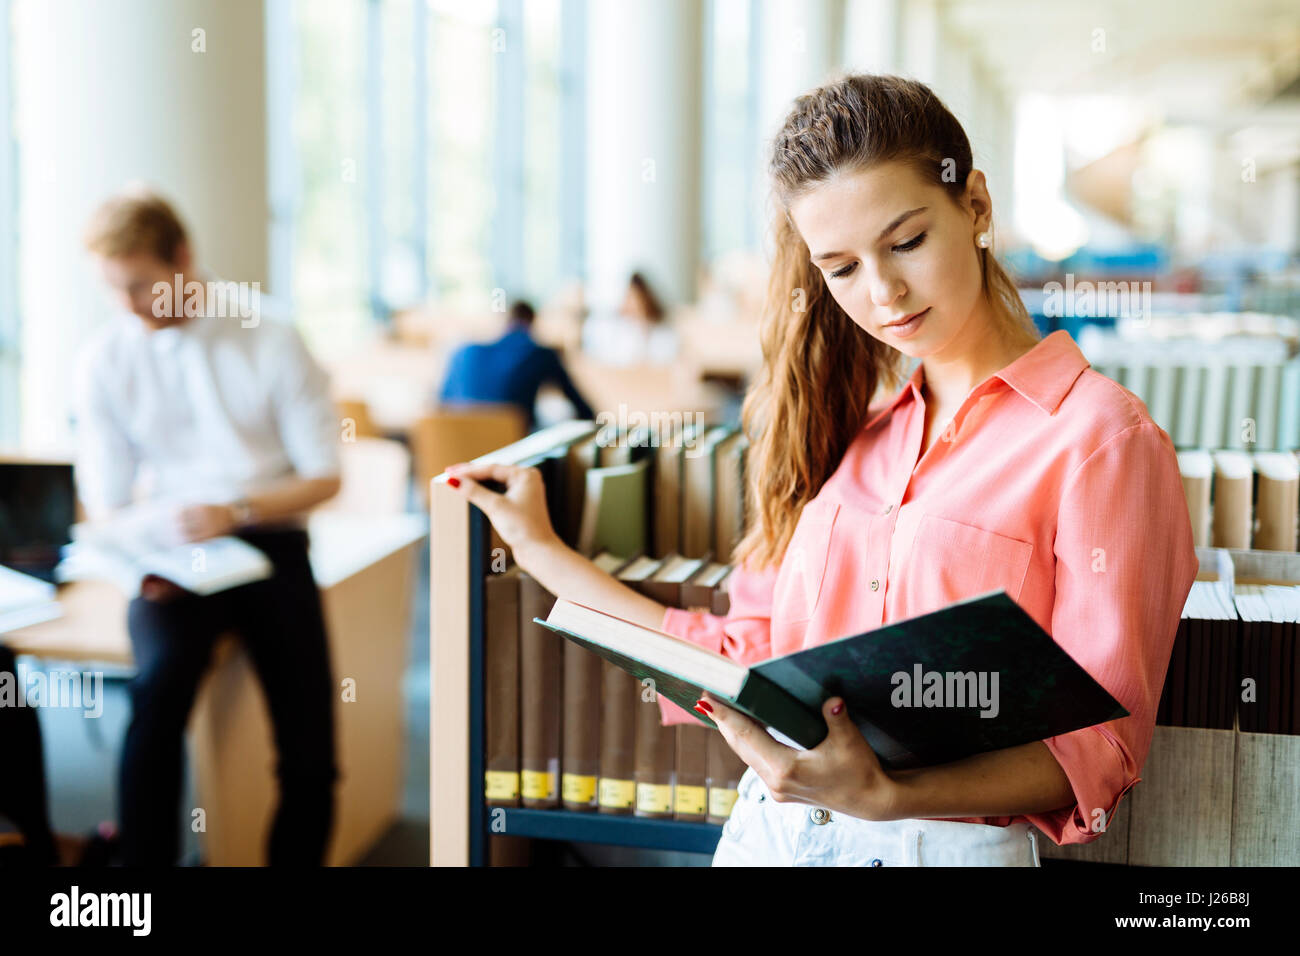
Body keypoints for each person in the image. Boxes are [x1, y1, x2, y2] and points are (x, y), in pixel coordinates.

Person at [441, 74, 1197, 867]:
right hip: (768, 837)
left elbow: (1100, 747)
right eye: (841, 268)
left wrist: (889, 796)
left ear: (975, 205)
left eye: (906, 241)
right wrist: (539, 553)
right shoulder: (857, 440)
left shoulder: (1103, 441)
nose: (884, 293)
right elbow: (741, 654)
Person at [74, 189, 342, 865]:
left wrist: (241, 510)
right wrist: (138, 558)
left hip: (268, 535)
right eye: (114, 290)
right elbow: (104, 500)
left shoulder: (271, 336)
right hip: (171, 550)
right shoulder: (106, 359)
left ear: (183, 259)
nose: (129, 306)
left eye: (140, 285)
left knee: (310, 744)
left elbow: (326, 475)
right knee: (157, 694)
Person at [438, 300, 596, 432]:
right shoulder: (540, 353)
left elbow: (440, 405)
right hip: (513, 453)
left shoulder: (463, 352)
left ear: (505, 322)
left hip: (457, 453)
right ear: (533, 323)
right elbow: (583, 409)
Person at [579, 272, 678, 365]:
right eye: (629, 297)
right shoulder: (616, 329)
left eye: (637, 299)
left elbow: (665, 361)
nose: (632, 305)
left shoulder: (663, 333)